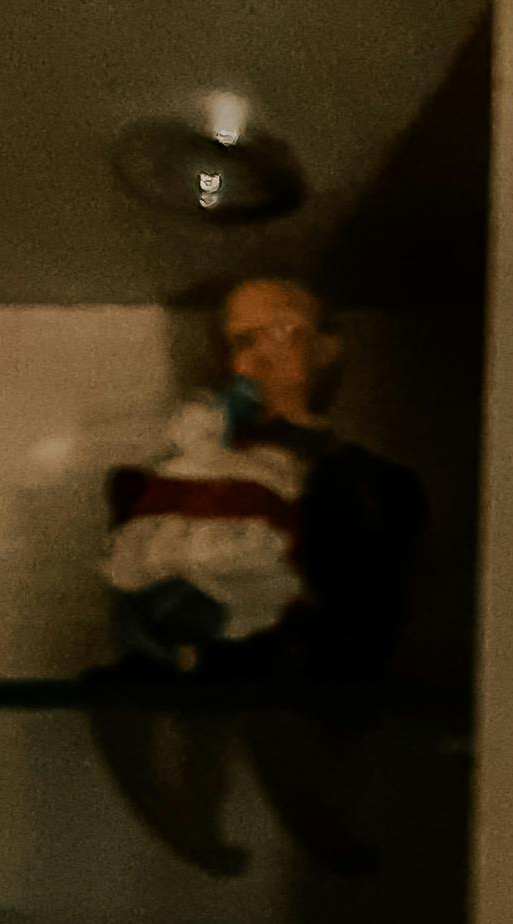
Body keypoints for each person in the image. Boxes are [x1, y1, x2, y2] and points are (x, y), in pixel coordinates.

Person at [89, 274, 424, 879]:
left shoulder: (369, 483)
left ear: (328, 347)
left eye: (286, 331)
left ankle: (320, 829)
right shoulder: (190, 470)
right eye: (245, 340)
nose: (266, 354)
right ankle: (200, 816)